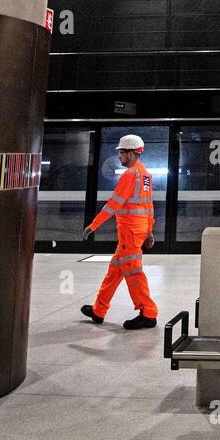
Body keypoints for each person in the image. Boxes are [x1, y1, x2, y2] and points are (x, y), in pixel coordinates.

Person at [80, 134, 159, 330]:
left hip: (130, 232)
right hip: (138, 230)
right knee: (115, 271)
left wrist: (93, 225)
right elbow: (148, 205)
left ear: (132, 153)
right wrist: (149, 231)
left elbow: (114, 204)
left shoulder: (130, 175)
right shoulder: (146, 176)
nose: (120, 156)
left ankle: (148, 313)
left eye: (122, 152)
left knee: (133, 272)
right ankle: (99, 310)